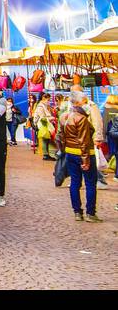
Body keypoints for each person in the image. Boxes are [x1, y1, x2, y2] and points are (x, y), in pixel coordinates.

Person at [60, 88, 102, 222]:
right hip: (84, 154)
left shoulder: (65, 117)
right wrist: (85, 160)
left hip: (70, 153)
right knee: (90, 184)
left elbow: (60, 137)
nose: (86, 103)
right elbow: (83, 141)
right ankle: (90, 213)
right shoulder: (82, 118)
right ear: (78, 103)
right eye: (84, 101)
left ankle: (77, 212)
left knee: (75, 183)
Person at [33, 94, 58, 160]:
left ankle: (46, 154)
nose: (49, 101)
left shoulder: (44, 106)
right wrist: (52, 118)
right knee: (45, 139)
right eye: (48, 99)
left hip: (45, 123)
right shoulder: (40, 106)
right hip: (43, 124)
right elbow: (42, 117)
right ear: (43, 98)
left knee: (46, 139)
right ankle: (46, 155)